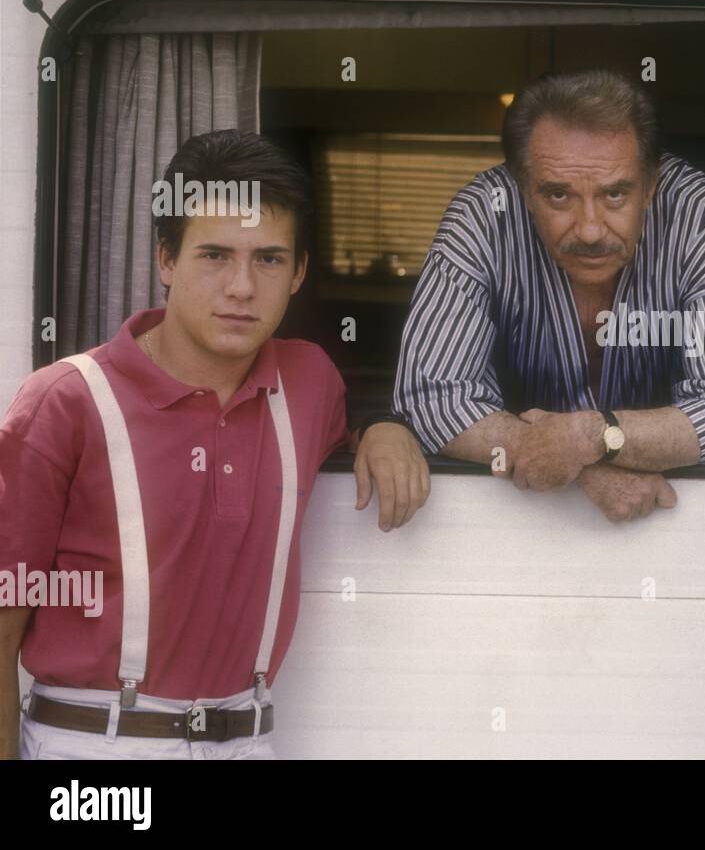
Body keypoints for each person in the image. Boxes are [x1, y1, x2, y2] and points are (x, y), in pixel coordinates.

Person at [0, 129, 429, 759]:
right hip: (97, 749)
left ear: (300, 272)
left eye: (269, 259)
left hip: (246, 739)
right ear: (166, 260)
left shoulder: (308, 382)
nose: (241, 287)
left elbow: (351, 422)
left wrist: (386, 425)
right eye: (215, 255)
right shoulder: (66, 401)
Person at [376, 68, 705, 523]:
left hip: (678, 527)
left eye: (616, 194)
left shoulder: (700, 215)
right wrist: (564, 458)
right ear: (523, 188)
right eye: (559, 195)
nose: (590, 229)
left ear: (652, 185)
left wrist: (592, 439)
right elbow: (430, 397)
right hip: (513, 525)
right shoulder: (484, 214)